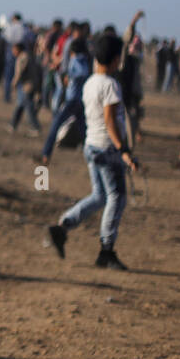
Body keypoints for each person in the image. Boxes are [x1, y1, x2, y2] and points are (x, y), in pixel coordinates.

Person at [46, 34, 138, 271]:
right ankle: (106, 250)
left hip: (91, 146)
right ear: (116, 59)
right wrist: (124, 150)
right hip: (107, 148)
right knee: (117, 197)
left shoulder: (90, 83)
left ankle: (63, 226)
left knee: (100, 196)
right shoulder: (110, 85)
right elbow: (110, 121)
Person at [40, 35, 91, 164]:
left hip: (73, 99)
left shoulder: (77, 59)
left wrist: (70, 76)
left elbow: (81, 72)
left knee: (56, 124)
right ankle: (91, 156)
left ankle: (46, 153)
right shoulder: (86, 59)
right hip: (80, 100)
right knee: (84, 131)